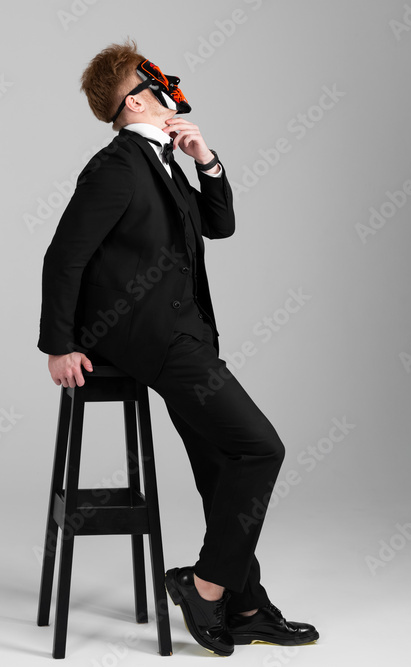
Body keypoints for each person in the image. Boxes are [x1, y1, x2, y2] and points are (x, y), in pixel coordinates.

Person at [36, 38, 318, 657]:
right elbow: (64, 257)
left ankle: (246, 606)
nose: (170, 95)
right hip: (153, 338)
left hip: (187, 333)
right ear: (136, 101)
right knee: (259, 448)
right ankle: (206, 586)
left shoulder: (162, 162)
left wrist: (206, 160)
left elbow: (219, 225)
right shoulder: (116, 167)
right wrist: (58, 345)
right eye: (156, 87)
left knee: (221, 465)